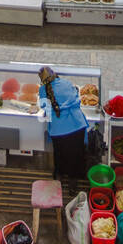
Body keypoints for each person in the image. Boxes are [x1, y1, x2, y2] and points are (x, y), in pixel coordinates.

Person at [38, 66, 89, 195]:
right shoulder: (67, 83)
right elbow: (76, 97)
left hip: (58, 129)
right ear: (55, 75)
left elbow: (45, 108)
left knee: (59, 154)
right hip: (77, 125)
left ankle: (59, 177)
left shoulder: (43, 90)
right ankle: (73, 184)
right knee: (75, 156)